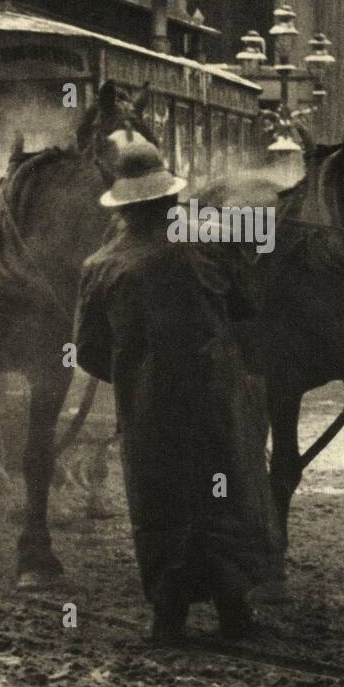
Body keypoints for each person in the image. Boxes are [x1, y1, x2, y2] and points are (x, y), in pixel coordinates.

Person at [74, 140, 282, 644]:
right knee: (225, 495)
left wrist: (134, 375)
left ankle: (168, 619)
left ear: (124, 207)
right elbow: (250, 306)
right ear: (168, 200)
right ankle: (235, 613)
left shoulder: (99, 266)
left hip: (148, 410)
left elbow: (88, 352)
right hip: (216, 400)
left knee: (161, 504)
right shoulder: (209, 245)